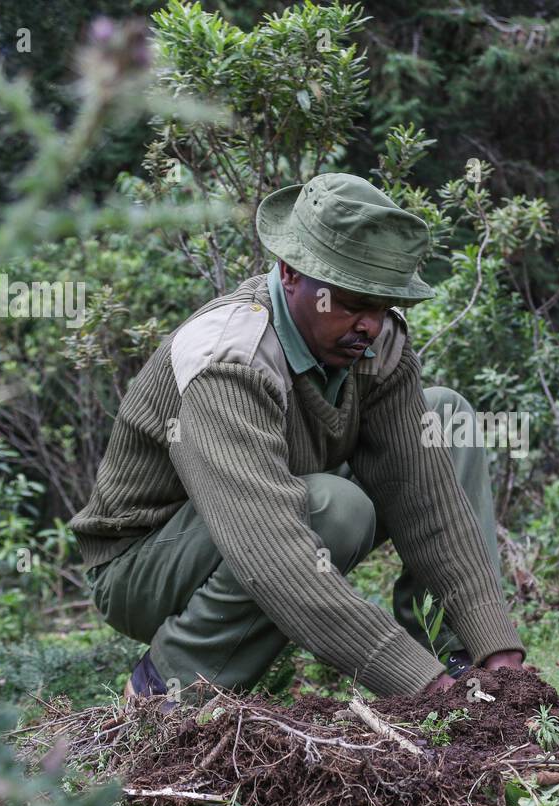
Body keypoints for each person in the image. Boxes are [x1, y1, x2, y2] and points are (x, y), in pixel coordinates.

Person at [70, 173, 526, 701]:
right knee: (335, 508)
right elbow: (273, 550)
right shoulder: (228, 359)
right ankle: (166, 690)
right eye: (351, 303)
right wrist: (418, 685)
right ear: (290, 274)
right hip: (144, 564)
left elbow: (427, 503)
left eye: (380, 306)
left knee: (445, 416)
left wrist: (496, 648)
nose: (369, 326)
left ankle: (470, 676)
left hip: (266, 509)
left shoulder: (377, 346)